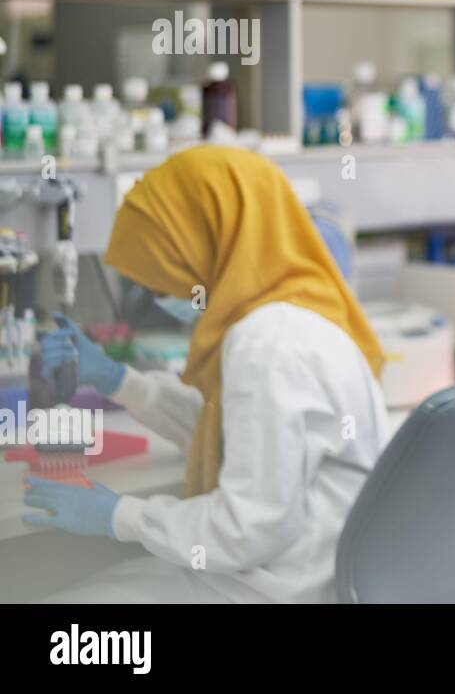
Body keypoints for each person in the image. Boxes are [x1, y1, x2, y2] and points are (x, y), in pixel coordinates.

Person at [23, 146, 388, 603]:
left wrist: (121, 515)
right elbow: (234, 436)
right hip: (285, 575)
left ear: (203, 245)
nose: (163, 295)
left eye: (164, 275)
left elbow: (247, 527)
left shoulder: (266, 345)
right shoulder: (297, 311)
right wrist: (120, 380)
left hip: (267, 590)